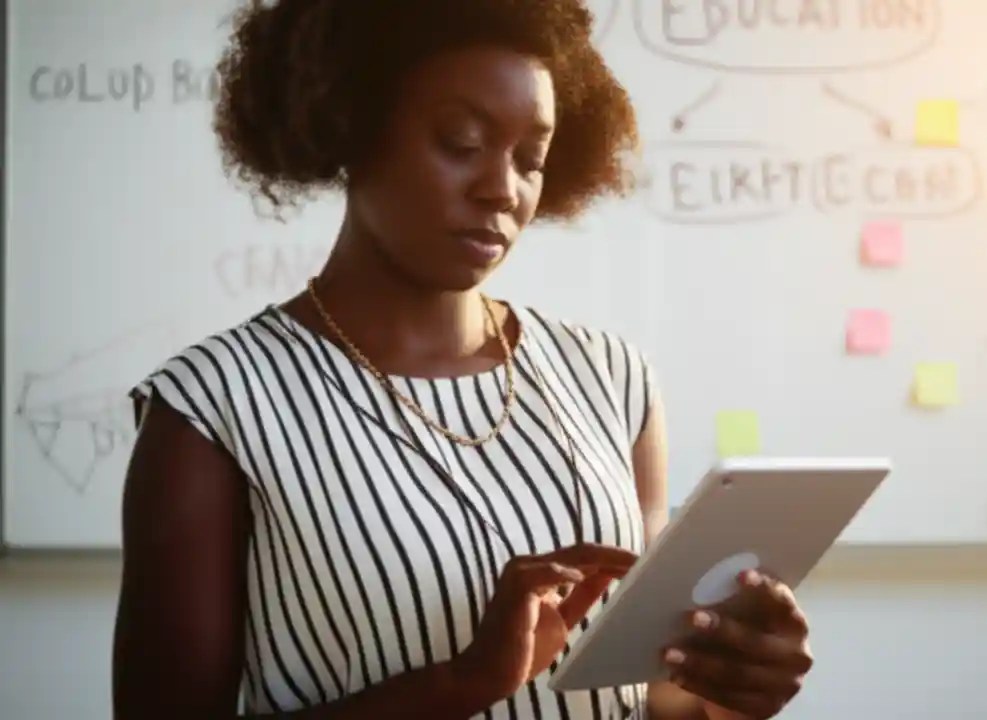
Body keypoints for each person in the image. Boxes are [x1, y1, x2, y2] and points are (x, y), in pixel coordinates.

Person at [111, 2, 815, 718]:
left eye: (531, 158)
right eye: (461, 141)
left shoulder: (612, 378)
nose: (502, 189)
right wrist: (463, 684)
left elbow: (653, 698)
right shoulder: (212, 410)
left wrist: (730, 691)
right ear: (350, 124)